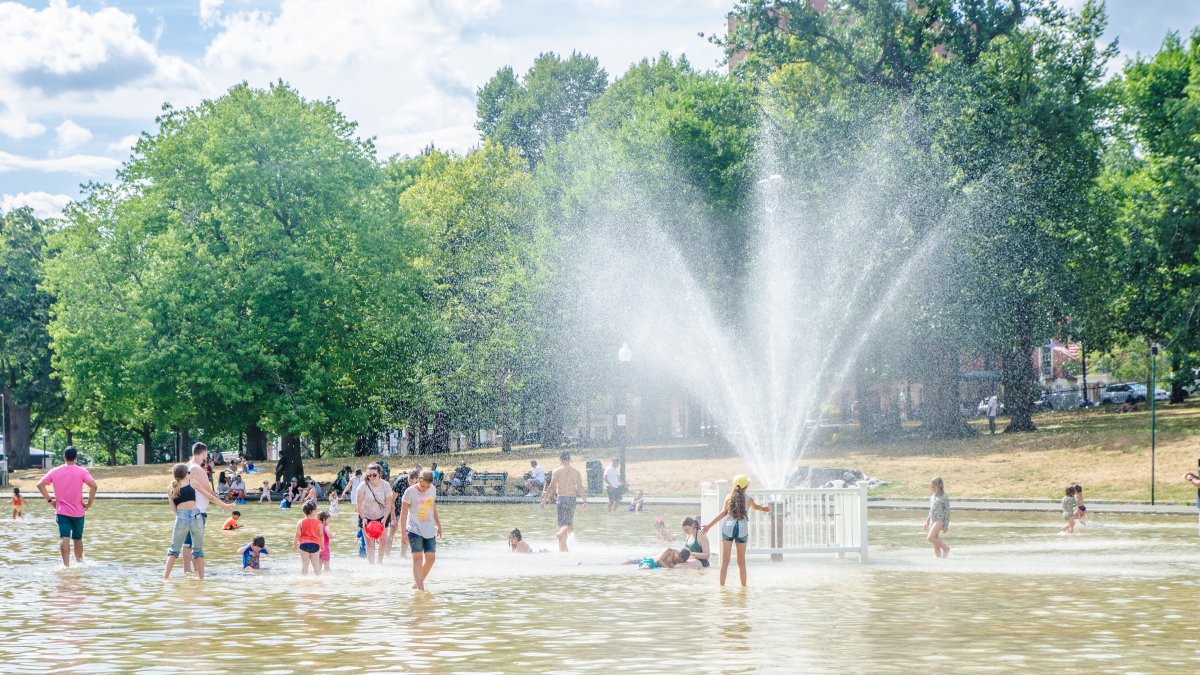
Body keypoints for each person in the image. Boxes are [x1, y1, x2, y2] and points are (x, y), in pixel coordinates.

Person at [701, 475, 772, 587]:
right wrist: (764, 509)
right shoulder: (749, 499)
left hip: (728, 529)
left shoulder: (728, 497)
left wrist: (709, 526)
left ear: (734, 485)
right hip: (742, 531)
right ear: (746, 486)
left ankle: (722, 587)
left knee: (725, 561)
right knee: (741, 561)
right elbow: (755, 507)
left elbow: (723, 513)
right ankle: (743, 588)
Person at [35, 446, 97, 568]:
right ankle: (79, 563)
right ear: (76, 457)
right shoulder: (82, 471)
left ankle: (66, 566)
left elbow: (40, 484)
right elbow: (94, 486)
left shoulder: (54, 471)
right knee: (77, 538)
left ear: (64, 457)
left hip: (61, 511)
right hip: (78, 512)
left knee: (64, 537)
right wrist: (89, 503)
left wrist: (50, 501)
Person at [181, 442, 234, 575]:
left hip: (185, 511)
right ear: (204, 453)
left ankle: (188, 572)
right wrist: (223, 505)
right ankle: (198, 575)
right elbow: (208, 492)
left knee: (187, 544)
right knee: (196, 546)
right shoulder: (198, 470)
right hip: (198, 512)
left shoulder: (185, 467)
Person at [400, 469, 442, 590]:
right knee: (418, 558)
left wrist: (439, 525)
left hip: (429, 528)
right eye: (423, 486)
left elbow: (433, 508)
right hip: (414, 529)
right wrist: (403, 533)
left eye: (427, 486)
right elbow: (403, 513)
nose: (425, 489)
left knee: (431, 559)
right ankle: (421, 589)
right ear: (418, 480)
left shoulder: (432, 489)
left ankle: (416, 585)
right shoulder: (410, 492)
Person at [164, 463, 205, 579]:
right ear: (185, 474)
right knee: (198, 551)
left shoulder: (171, 488)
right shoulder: (192, 482)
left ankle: (165, 578)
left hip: (181, 517)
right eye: (188, 472)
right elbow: (209, 496)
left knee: (173, 550)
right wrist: (224, 505)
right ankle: (202, 580)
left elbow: (174, 510)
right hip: (196, 516)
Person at [541, 452, 588, 552]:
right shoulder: (576, 472)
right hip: (572, 499)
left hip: (562, 499)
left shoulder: (557, 471)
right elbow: (580, 487)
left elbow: (551, 487)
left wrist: (544, 500)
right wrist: (585, 501)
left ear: (560, 460)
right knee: (569, 524)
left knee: (563, 525)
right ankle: (565, 548)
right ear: (569, 460)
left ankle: (562, 543)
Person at [354, 463, 393, 564]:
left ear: (380, 474)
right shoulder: (362, 486)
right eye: (369, 475)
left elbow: (389, 505)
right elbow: (358, 505)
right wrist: (363, 518)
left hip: (382, 516)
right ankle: (371, 564)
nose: (371, 477)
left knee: (383, 541)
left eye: (374, 475)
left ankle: (379, 563)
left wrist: (385, 518)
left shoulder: (386, 485)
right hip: (366, 516)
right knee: (369, 542)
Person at [293, 501, 323, 576]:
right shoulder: (319, 523)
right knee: (316, 564)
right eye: (316, 510)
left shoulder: (300, 522)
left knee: (305, 564)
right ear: (312, 511)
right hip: (315, 544)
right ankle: (319, 579)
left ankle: (303, 579)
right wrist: (322, 545)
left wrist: (295, 544)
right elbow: (321, 535)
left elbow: (297, 534)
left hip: (304, 544)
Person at [924, 476, 950, 558]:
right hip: (932, 519)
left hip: (939, 520)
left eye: (934, 486)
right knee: (935, 541)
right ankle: (938, 558)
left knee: (930, 538)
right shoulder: (933, 496)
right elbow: (931, 510)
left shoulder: (944, 497)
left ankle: (945, 548)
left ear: (940, 486)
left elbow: (947, 512)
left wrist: (946, 525)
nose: (932, 488)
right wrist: (927, 521)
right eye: (931, 487)